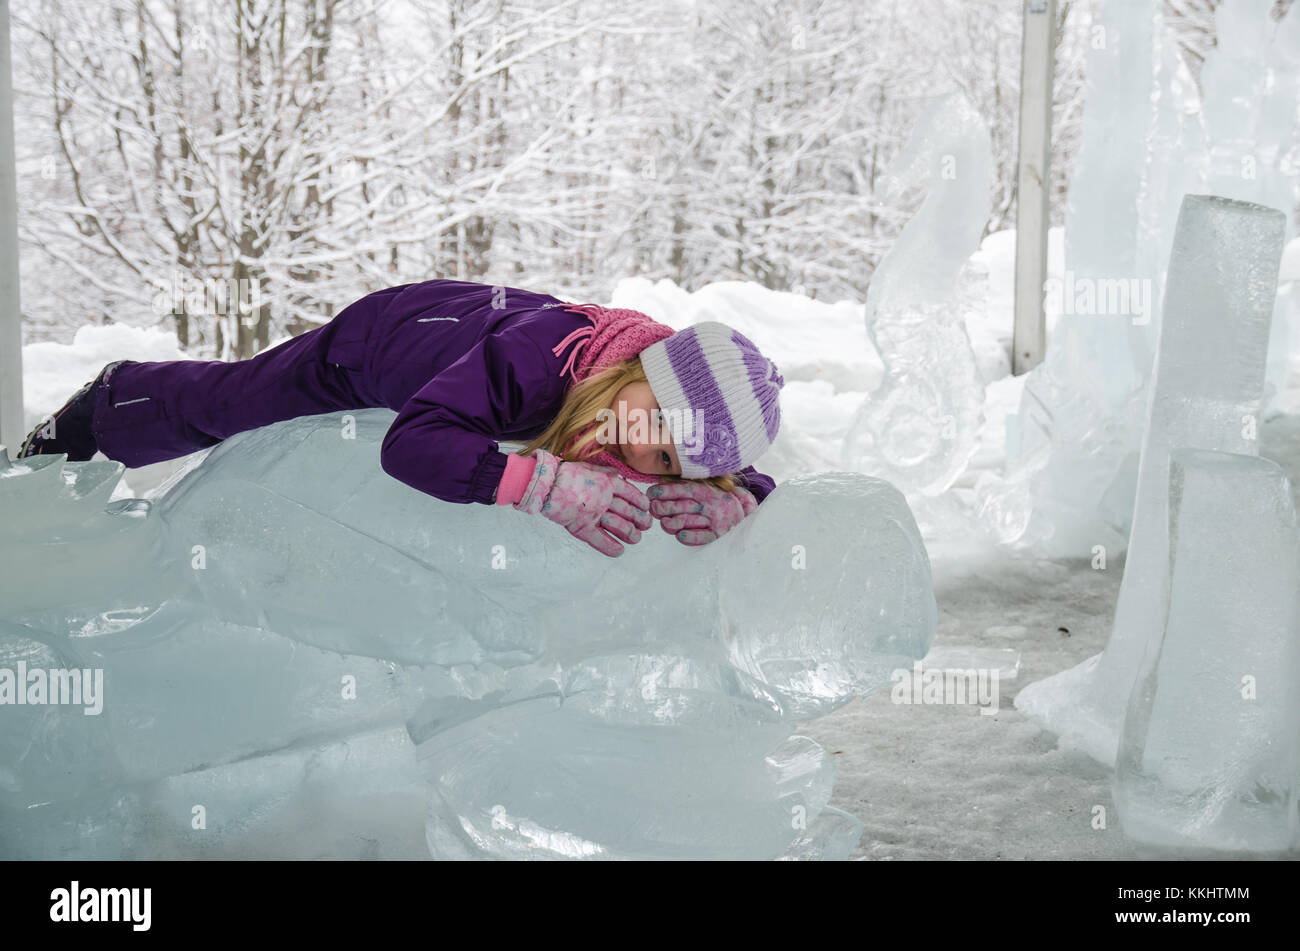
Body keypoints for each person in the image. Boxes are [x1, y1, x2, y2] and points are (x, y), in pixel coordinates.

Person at [18, 279, 784, 557]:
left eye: (664, 460)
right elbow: (413, 442)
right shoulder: (535, 363)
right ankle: (105, 405)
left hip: (466, 332)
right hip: (383, 343)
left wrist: (737, 497)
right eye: (650, 419)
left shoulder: (668, 419)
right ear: (643, 368)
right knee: (234, 405)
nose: (636, 446)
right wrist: (535, 483)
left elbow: (743, 471)